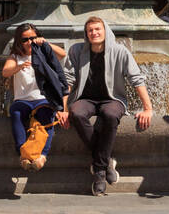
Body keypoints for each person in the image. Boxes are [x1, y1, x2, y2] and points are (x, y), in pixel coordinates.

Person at [63, 17, 152, 195]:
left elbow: (136, 79)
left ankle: (99, 173)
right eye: (90, 30)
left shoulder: (120, 51)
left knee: (110, 115)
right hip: (85, 98)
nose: (94, 33)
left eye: (97, 29)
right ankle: (105, 161)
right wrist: (63, 108)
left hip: (113, 99)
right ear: (86, 34)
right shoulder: (76, 50)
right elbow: (67, 80)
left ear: (105, 31)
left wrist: (148, 108)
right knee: (76, 113)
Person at [3, 24, 68, 171]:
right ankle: (23, 154)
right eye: (25, 39)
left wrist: (44, 42)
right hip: (22, 99)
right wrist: (18, 67)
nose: (29, 42)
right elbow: (5, 72)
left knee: (47, 115)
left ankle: (42, 156)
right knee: (16, 113)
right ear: (19, 41)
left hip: (42, 97)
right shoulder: (15, 56)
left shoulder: (44, 53)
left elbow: (62, 54)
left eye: (32, 38)